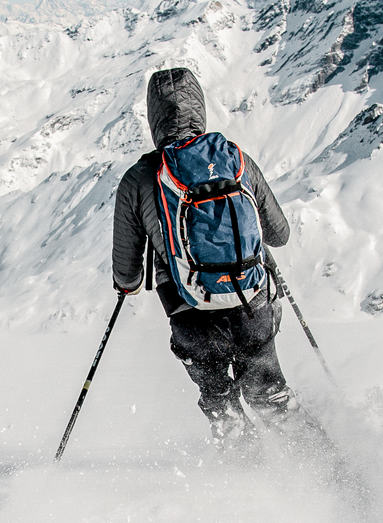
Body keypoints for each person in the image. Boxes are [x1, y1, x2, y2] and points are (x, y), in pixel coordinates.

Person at [112, 68, 295, 441]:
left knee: (222, 405)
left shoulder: (139, 178)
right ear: (200, 108)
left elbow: (128, 276)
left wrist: (126, 283)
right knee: (270, 395)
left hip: (189, 311)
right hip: (250, 299)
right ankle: (331, 467)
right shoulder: (235, 160)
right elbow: (280, 234)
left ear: (153, 117)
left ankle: (244, 472)